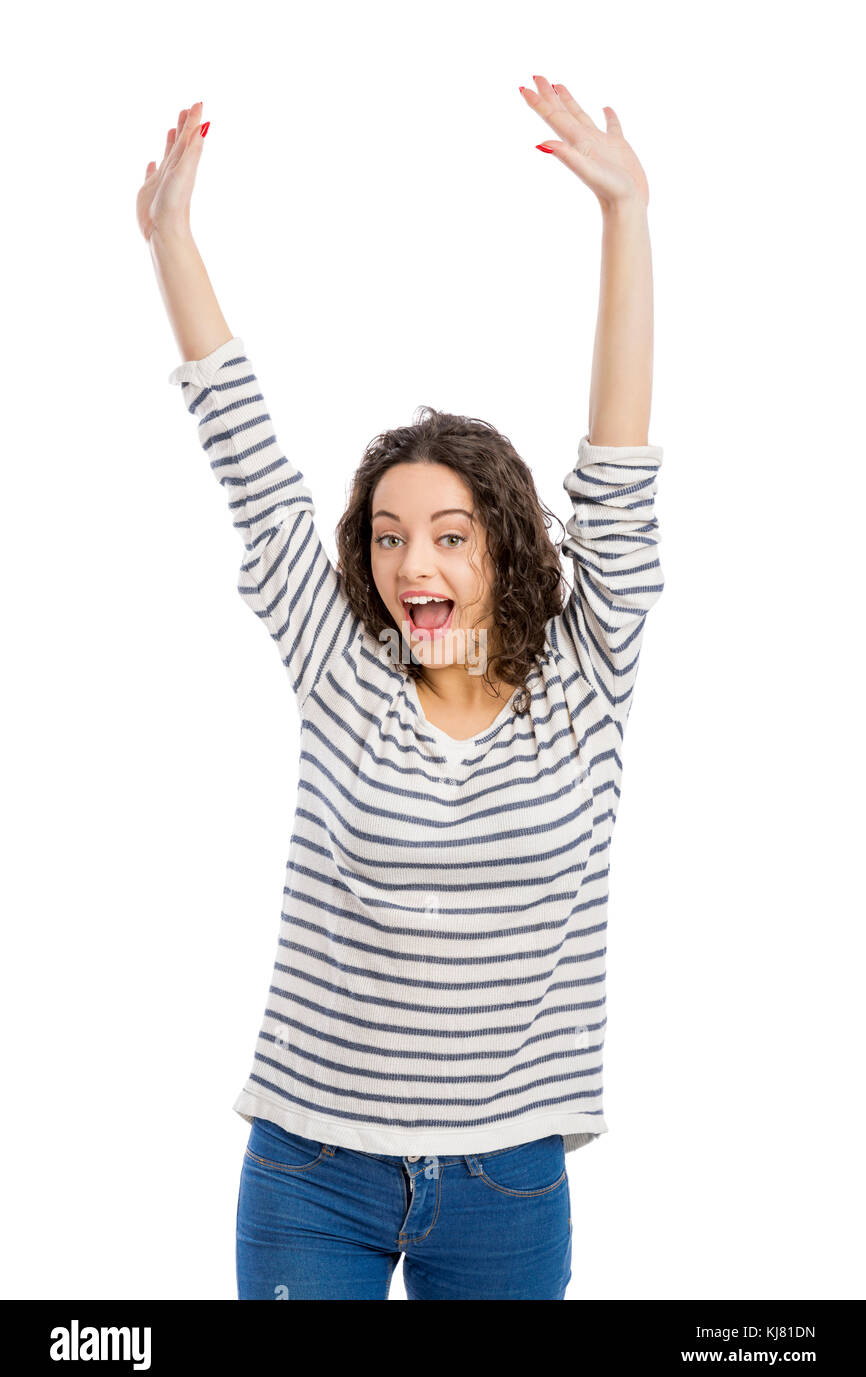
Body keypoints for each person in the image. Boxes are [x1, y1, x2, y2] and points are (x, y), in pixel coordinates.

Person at [137, 76, 664, 1301]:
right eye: (385, 537)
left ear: (505, 548)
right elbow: (249, 461)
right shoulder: (342, 672)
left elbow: (620, 465)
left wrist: (624, 216)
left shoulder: (584, 682)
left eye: (447, 535)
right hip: (311, 1169)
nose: (410, 563)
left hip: (507, 1182)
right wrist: (171, 239)